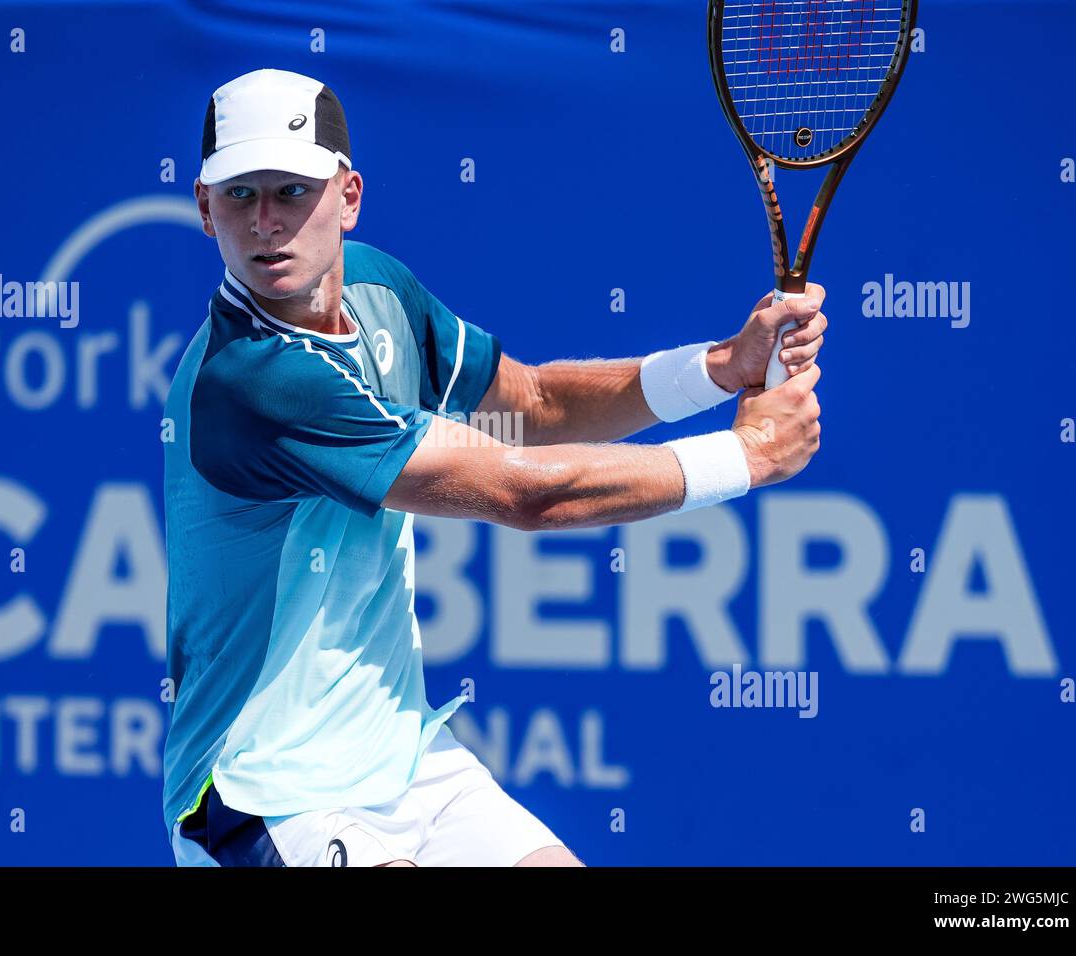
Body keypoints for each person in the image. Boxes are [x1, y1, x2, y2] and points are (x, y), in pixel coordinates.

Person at [162, 68, 828, 867]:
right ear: (205, 210)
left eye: (291, 191)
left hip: (408, 761)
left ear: (347, 197)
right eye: (240, 195)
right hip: (263, 792)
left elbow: (536, 402)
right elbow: (524, 494)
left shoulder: (378, 290)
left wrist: (718, 367)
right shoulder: (252, 380)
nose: (266, 223)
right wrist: (747, 456)